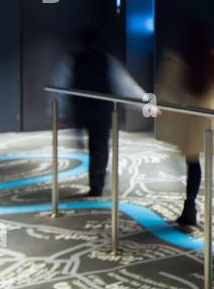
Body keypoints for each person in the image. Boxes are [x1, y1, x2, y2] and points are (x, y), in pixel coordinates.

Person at [155, 20, 214, 227]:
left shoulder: (177, 60)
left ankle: (189, 207)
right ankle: (191, 206)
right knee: (197, 162)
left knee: (192, 163)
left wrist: (163, 109)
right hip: (209, 120)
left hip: (189, 120)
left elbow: (168, 91)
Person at [51, 26, 145, 198]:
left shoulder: (72, 60)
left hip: (81, 109)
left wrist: (58, 114)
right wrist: (145, 104)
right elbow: (126, 86)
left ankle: (95, 178)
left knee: (89, 145)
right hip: (101, 111)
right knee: (99, 147)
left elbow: (60, 86)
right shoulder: (107, 60)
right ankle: (97, 184)